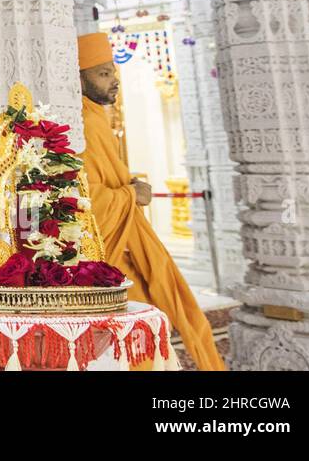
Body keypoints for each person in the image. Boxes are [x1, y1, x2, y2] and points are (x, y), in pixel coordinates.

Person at [78, 32, 225, 370]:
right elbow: (80, 202)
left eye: (113, 72)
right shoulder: (81, 123)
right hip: (107, 257)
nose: (114, 81)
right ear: (79, 77)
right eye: (103, 73)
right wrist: (132, 194)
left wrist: (127, 187)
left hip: (127, 247)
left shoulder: (96, 118)